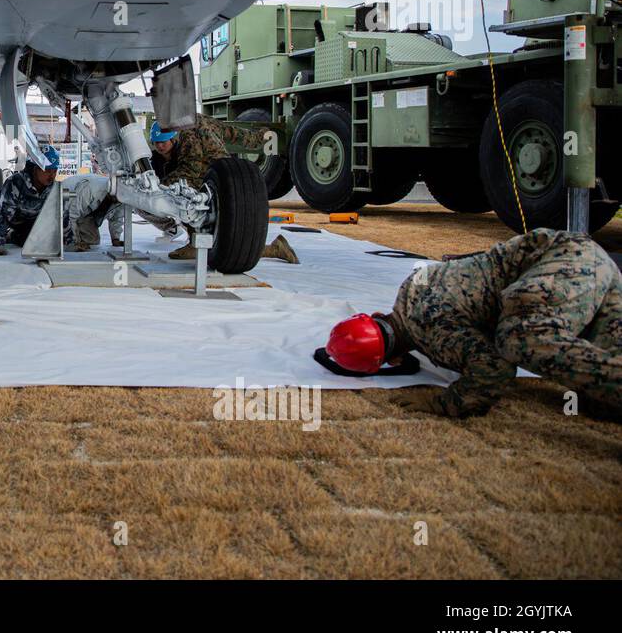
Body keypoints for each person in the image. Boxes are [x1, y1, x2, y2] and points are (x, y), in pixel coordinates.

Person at [324, 229, 621, 417]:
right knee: (601, 403)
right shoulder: (409, 287)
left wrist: (447, 403)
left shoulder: (428, 331)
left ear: (393, 359)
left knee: (517, 339)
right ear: (376, 315)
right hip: (582, 258)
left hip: (562, 267)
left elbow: (495, 369)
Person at [148, 118, 267, 259]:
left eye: (163, 142)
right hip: (228, 178)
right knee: (229, 234)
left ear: (173, 138)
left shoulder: (188, 136)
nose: (160, 146)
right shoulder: (201, 120)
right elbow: (237, 135)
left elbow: (190, 171)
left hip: (216, 180)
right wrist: (262, 136)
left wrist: (159, 188)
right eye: (157, 143)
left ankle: (195, 244)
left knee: (188, 199)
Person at [0, 146, 60, 254]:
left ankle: (12, 235)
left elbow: (58, 216)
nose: (52, 176)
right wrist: (0, 244)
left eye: (55, 171)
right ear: (35, 169)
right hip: (0, 213)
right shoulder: (16, 182)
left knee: (32, 243)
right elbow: (3, 212)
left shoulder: (53, 188)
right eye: (47, 171)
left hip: (26, 218)